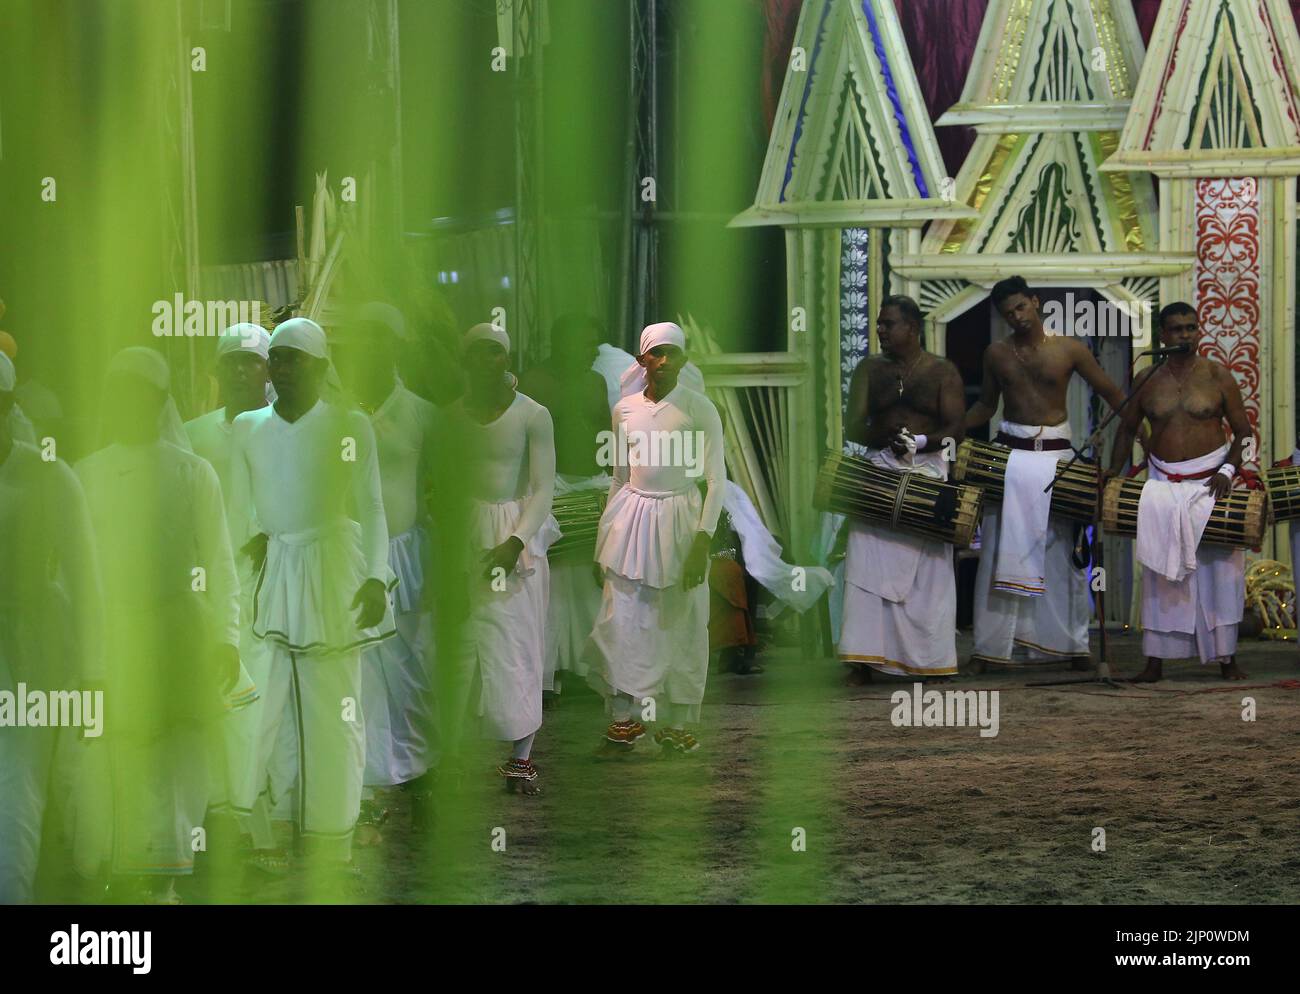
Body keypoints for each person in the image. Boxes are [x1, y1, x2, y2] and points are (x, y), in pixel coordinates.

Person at [230, 318, 395, 875]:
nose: (281, 367)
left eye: (294, 358)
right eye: (275, 357)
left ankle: (334, 838)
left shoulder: (351, 426)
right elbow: (237, 507)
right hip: (273, 573)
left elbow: (371, 507)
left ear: (322, 367)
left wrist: (377, 577)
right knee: (258, 710)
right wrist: (250, 538)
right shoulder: (247, 428)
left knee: (336, 713)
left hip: (334, 570)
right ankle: (255, 827)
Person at [74, 347, 240, 903]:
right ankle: (121, 875)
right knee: (119, 753)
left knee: (180, 757)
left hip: (181, 635)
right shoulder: (86, 475)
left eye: (143, 395)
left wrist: (226, 638)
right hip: (111, 635)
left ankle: (167, 879)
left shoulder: (194, 472)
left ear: (159, 400)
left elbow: (219, 564)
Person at [965, 277, 1127, 670]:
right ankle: (990, 649)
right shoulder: (996, 354)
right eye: (1007, 313)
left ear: (1035, 302)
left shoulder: (1069, 349)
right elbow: (986, 406)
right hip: (1009, 457)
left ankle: (1072, 647)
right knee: (1000, 553)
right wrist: (948, 431)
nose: (1016, 317)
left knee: (1063, 554)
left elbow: (1117, 397)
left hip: (1057, 458)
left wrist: (1126, 452)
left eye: (1021, 307)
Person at [587, 322, 725, 754]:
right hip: (629, 521)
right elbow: (619, 477)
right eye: (656, 353)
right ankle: (622, 720)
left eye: (673, 354)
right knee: (623, 619)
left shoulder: (700, 409)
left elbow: (716, 481)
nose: (664, 362)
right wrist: (601, 542)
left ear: (683, 360)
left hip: (682, 521)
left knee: (682, 620)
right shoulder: (624, 409)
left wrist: (702, 542)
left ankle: (681, 724)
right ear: (642, 359)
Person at [331, 304, 438, 831]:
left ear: (397, 348)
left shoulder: (420, 413)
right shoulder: (332, 412)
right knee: (362, 671)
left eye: (380, 339)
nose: (370, 349)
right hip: (349, 557)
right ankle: (368, 778)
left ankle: (422, 770)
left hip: (408, 553)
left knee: (409, 665)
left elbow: (441, 491)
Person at [0, 353, 102, 903]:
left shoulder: (48, 475)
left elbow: (85, 578)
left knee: (18, 786)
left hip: (30, 652)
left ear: (8, 405)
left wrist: (93, 673)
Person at [1107, 302, 1251, 681]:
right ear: (1162, 335)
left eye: (1190, 328)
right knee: (1160, 570)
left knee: (1220, 570)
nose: (1184, 335)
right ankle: (1155, 661)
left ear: (1198, 330)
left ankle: (1227, 658)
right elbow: (1126, 429)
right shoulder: (1146, 378)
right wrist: (1113, 472)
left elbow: (1243, 434)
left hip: (1211, 482)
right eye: (1176, 329)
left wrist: (1228, 469)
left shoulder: (1219, 376)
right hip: (1162, 483)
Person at [447, 323, 557, 793]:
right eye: (477, 354)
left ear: (506, 360)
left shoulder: (534, 415)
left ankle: (521, 758)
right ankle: (448, 757)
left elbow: (543, 488)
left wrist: (514, 543)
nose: (485, 362)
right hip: (463, 535)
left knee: (517, 645)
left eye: (495, 353)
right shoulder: (449, 417)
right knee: (456, 650)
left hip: (517, 536)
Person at [838, 296, 966, 682]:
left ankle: (930, 660)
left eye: (888, 324)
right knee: (865, 561)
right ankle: (863, 660)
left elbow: (955, 427)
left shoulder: (942, 371)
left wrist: (920, 441)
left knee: (930, 568)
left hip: (926, 468)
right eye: (879, 323)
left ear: (912, 327)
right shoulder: (869, 369)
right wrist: (885, 436)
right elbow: (853, 425)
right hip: (880, 468)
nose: (880, 330)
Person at [184, 325, 273, 846]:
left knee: (258, 710)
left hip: (271, 587)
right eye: (231, 363)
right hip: (208, 591)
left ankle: (256, 826)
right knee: (215, 707)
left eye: (251, 362)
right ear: (215, 372)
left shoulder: (288, 429)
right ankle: (216, 821)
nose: (240, 372)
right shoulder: (195, 435)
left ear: (269, 370)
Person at [518, 314, 611, 698]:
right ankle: (547, 678)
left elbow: (606, 435)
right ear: (561, 343)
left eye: (595, 344)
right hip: (549, 488)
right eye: (585, 343)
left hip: (593, 484)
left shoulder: (596, 382)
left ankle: (592, 672)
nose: (592, 352)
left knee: (594, 586)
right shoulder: (534, 382)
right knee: (550, 585)